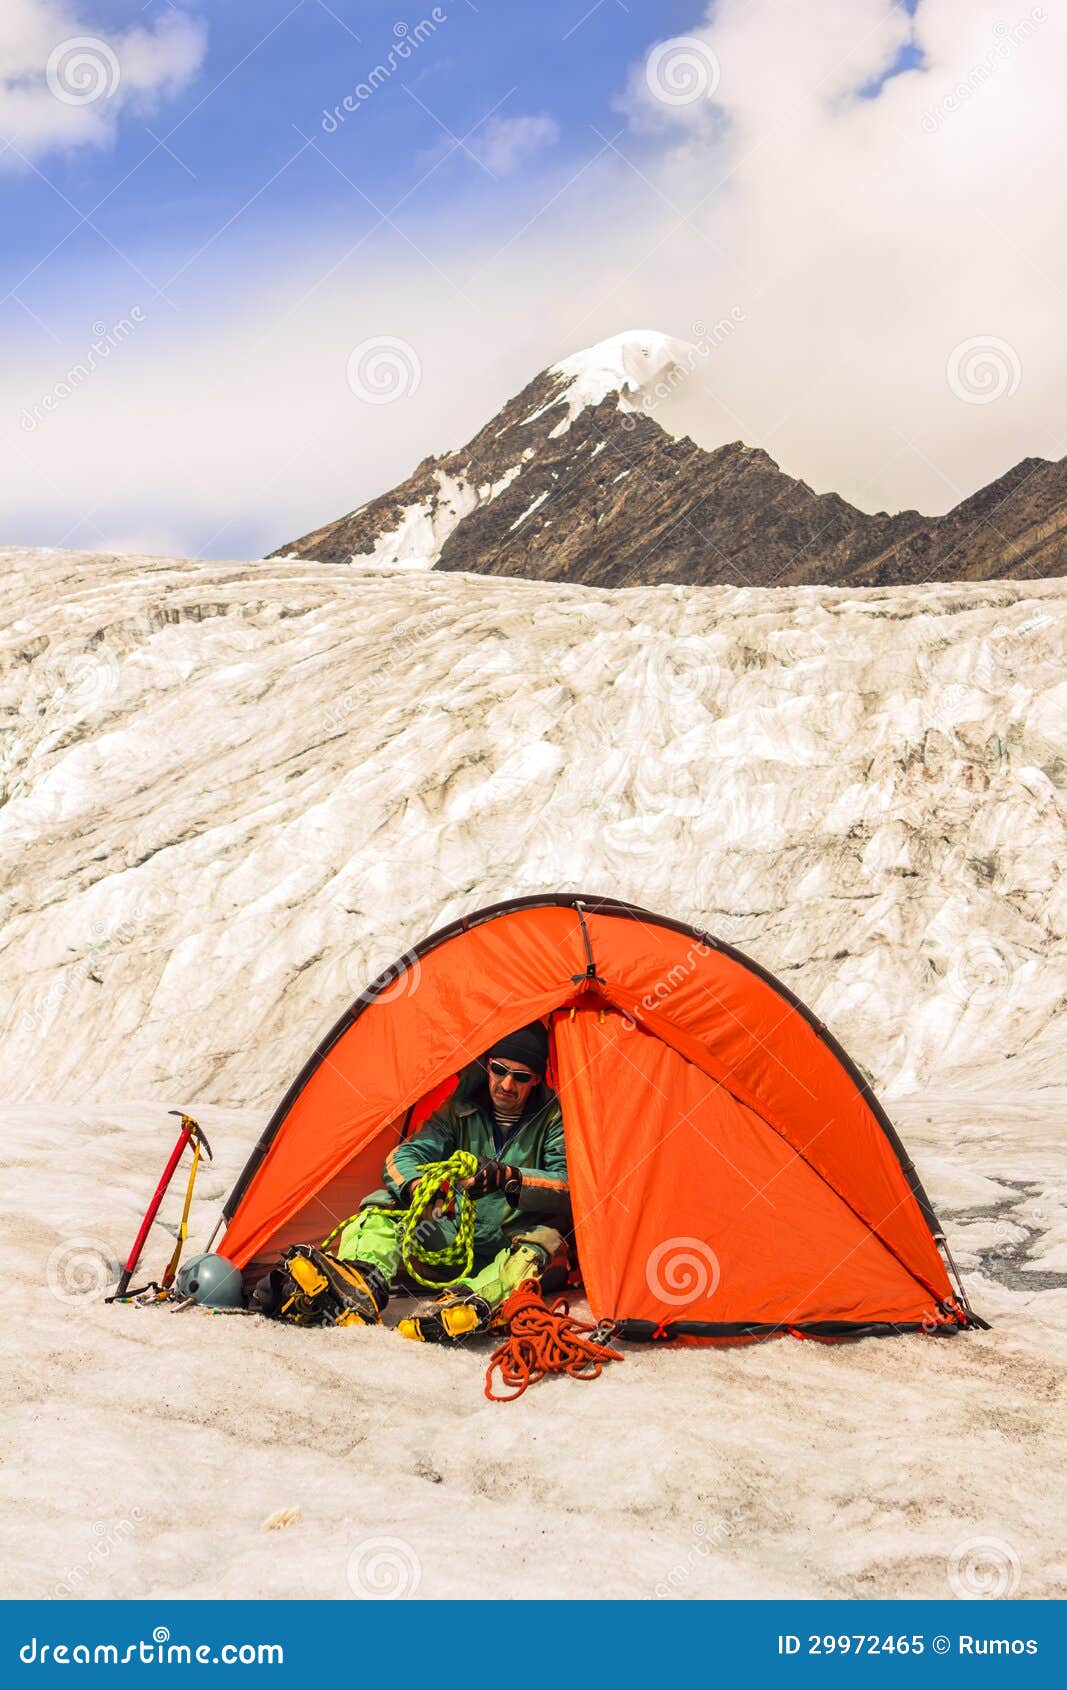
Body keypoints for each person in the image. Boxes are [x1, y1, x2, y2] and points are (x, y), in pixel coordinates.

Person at [270, 1021, 570, 1342]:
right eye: (499, 1070)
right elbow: (403, 1156)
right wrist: (417, 1187)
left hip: (509, 1244)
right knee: (384, 1203)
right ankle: (360, 1281)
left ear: (535, 1079)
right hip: (452, 1239)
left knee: (546, 1240)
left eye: (521, 1077)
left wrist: (510, 1178)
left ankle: (468, 1304)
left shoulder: (554, 1119)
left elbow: (568, 1186)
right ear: (488, 1067)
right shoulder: (459, 1108)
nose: (507, 1084)